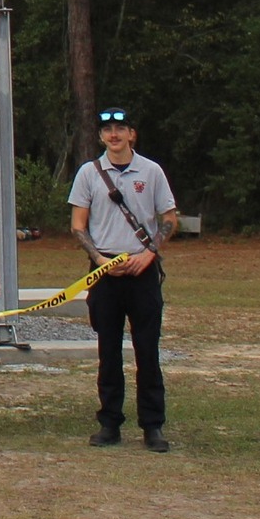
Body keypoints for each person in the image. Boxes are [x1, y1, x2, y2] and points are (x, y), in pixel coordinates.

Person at [70, 108, 179, 452]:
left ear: (132, 134)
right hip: (105, 273)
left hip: (142, 270)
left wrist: (149, 254)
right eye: (107, 130)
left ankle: (153, 426)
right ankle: (109, 423)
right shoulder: (89, 173)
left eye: (120, 128)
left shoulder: (151, 171)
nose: (114, 135)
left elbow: (169, 219)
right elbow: (78, 224)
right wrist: (100, 260)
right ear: (101, 136)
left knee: (147, 351)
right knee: (108, 351)